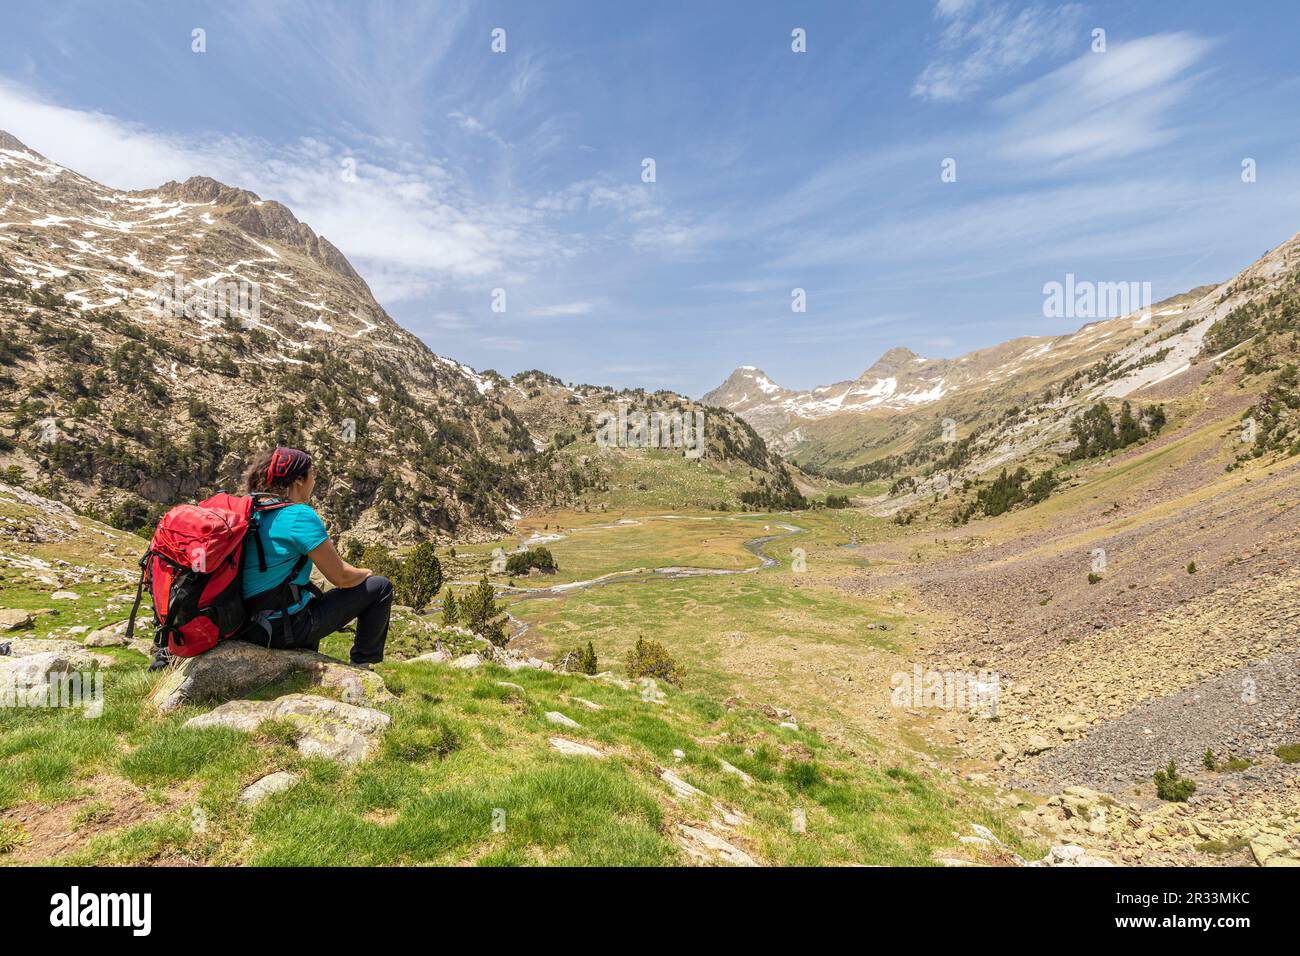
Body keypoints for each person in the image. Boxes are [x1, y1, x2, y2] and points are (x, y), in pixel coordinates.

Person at [240, 446, 391, 666]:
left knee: (306, 595)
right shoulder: (298, 516)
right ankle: (362, 665)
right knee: (380, 588)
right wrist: (367, 574)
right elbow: (341, 577)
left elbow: (328, 561)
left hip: (245, 624)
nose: (314, 480)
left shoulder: (252, 510)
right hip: (279, 628)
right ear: (299, 480)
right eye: (313, 474)